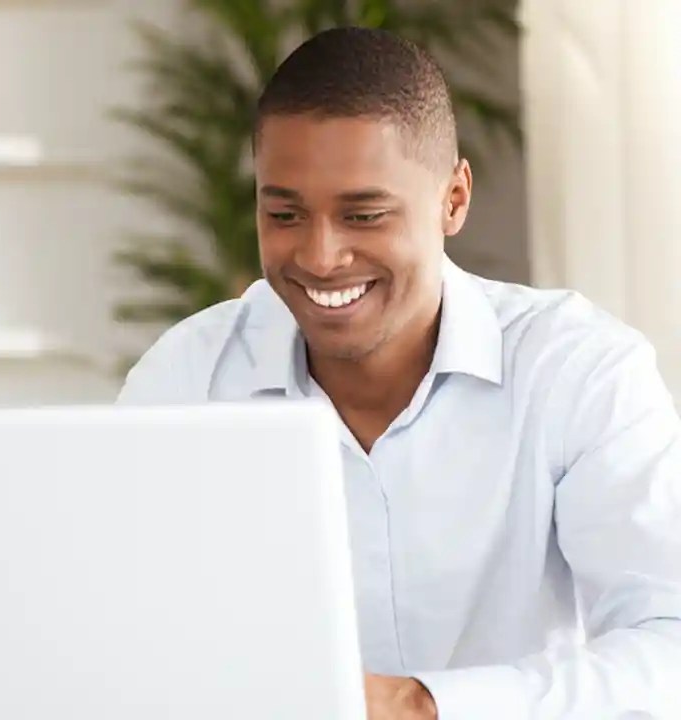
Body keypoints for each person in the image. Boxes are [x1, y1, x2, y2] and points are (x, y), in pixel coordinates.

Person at [117, 26, 681, 720]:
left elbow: (668, 645)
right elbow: (123, 631)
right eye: (284, 214)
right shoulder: (186, 378)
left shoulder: (578, 371)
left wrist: (422, 705)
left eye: (364, 214)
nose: (321, 257)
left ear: (453, 199)